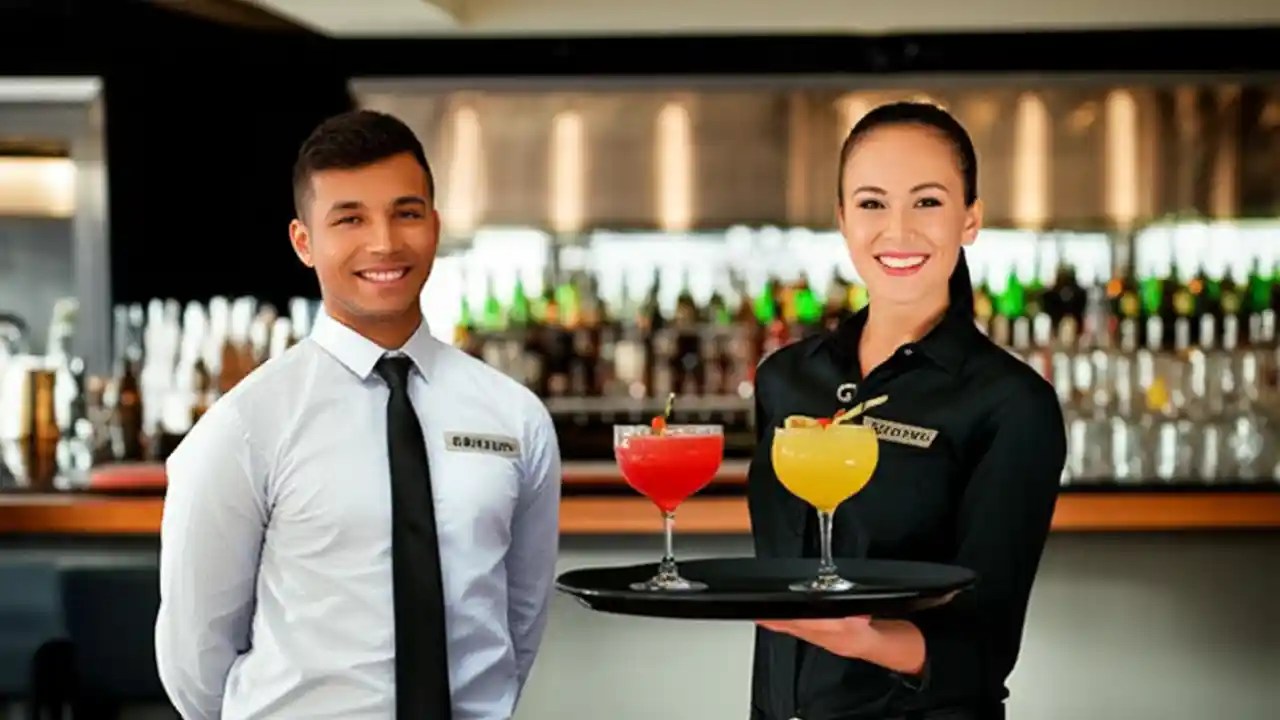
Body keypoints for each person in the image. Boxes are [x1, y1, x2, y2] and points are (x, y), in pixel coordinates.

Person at [155, 109, 562, 720]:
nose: (384, 243)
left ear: (435, 225)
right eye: (349, 218)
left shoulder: (516, 418)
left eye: (406, 213)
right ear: (303, 242)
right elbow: (193, 659)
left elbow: (520, 622)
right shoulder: (245, 426)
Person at [747, 101, 1067, 720]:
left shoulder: (1010, 403)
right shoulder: (785, 381)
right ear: (841, 218)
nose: (897, 232)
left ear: (970, 219)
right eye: (871, 203)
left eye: (927, 202)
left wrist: (865, 641)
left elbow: (985, 647)